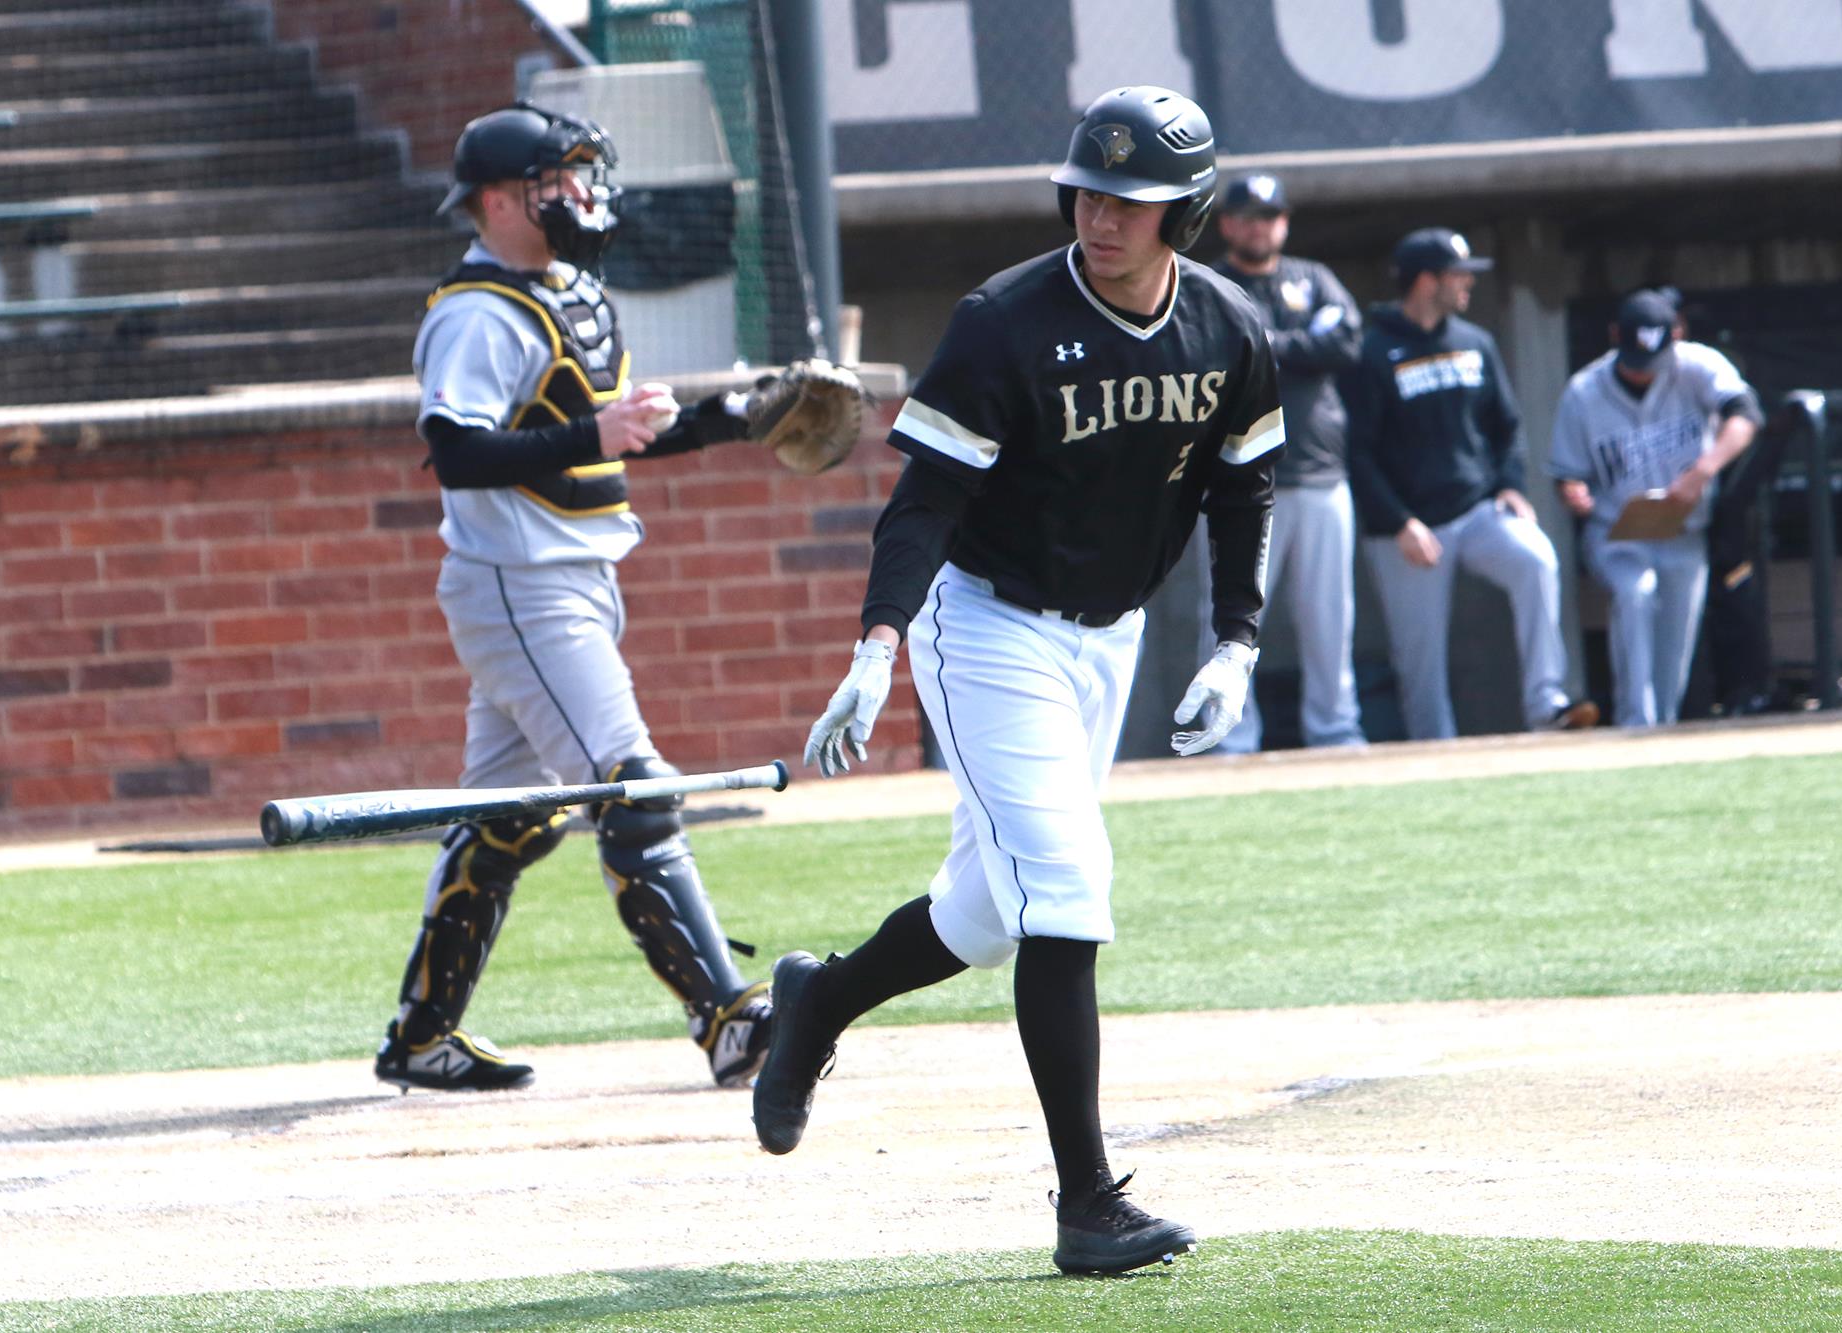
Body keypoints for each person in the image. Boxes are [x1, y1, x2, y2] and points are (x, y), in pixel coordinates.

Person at [749, 86, 1284, 1276]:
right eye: (1088, 191)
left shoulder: (1230, 328)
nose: (1101, 216)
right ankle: (1087, 1204)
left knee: (988, 914)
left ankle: (817, 1002)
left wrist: (1237, 640)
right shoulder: (1001, 321)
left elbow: (1243, 487)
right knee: (1066, 884)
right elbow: (924, 501)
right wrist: (875, 646)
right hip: (981, 625)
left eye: (1132, 201)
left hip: (1109, 635)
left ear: (1183, 214)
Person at [374, 102, 772, 1093]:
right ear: (502, 200)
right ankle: (727, 1017)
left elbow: (618, 427)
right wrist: (593, 437)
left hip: (572, 580)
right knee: (632, 787)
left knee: (510, 817)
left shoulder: (569, 291)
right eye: (562, 181)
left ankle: (420, 1036)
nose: (584, 197)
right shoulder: (476, 311)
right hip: (522, 585)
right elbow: (456, 452)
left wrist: (731, 418)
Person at [1342, 227, 1598, 740]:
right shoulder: (1372, 351)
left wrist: (1509, 484)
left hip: (1477, 510)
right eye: (1458, 275)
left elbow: (1507, 427)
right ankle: (1437, 755)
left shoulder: (1474, 342)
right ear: (1424, 281)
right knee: (1420, 660)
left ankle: (1547, 703)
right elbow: (1357, 453)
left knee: (1535, 558)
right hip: (1407, 527)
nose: (1468, 285)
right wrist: (1399, 522)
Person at [1188, 172, 1365, 751]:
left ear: (1284, 222)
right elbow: (1217, 355)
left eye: (1271, 216)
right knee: (1228, 618)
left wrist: (1267, 343)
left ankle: (1336, 730)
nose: (1260, 226)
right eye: (1249, 216)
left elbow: (1344, 343)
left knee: (1329, 621)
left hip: (1319, 473)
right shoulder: (1210, 283)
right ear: (1228, 223)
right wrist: (1291, 344)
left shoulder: (1314, 278)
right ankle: (1226, 737)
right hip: (1238, 480)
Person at [1548, 288, 1762, 726]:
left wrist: (1703, 471)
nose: (1645, 371)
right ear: (1615, 337)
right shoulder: (1584, 391)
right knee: (1635, 593)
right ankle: (1634, 724)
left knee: (1674, 649)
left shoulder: (1698, 366)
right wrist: (1574, 492)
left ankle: (1658, 730)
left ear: (1676, 334)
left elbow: (1746, 417)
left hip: (1684, 530)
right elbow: (1566, 473)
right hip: (1617, 535)